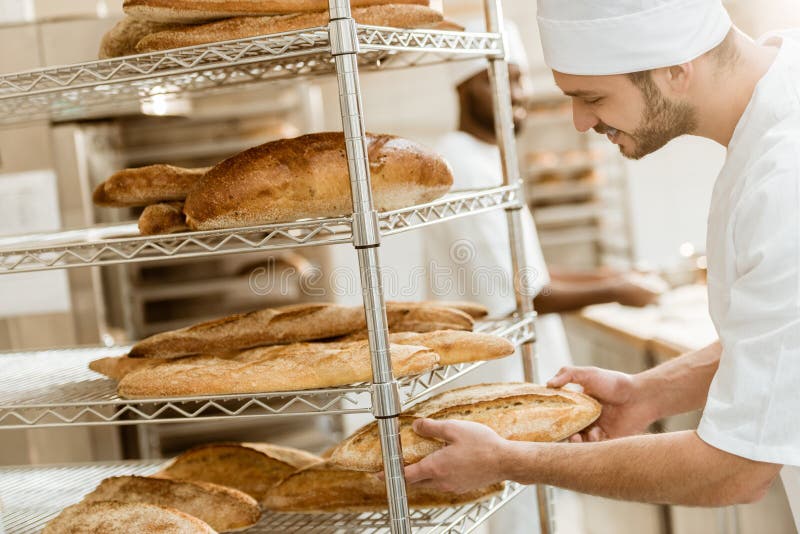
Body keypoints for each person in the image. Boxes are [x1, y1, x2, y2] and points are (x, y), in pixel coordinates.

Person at [402, 0, 800, 530]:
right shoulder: (776, 112)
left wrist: (510, 460)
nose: (580, 120)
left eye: (591, 97)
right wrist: (645, 394)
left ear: (675, 70)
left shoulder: (784, 178)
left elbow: (734, 470)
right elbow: (776, 353)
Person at [416, 20, 661, 534]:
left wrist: (610, 272)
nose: (517, 94)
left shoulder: (487, 159)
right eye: (499, 78)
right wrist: (619, 290)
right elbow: (523, 292)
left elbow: (529, 268)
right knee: (522, 518)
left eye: (523, 79)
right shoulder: (459, 166)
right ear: (464, 85)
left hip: (526, 379)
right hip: (500, 385)